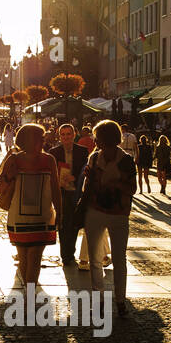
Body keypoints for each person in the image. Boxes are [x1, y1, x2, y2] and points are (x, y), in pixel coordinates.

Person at [79, 120, 136, 319]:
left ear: (104, 139)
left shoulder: (126, 160)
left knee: (119, 259)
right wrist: (90, 178)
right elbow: (87, 187)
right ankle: (99, 299)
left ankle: (120, 300)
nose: (95, 140)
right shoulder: (93, 158)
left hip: (119, 214)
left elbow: (132, 189)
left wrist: (114, 182)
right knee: (95, 258)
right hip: (95, 211)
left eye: (98, 137)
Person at [0, 123, 61, 292]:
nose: (43, 140)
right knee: (25, 259)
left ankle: (29, 296)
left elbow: (55, 188)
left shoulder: (49, 160)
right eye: (40, 138)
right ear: (30, 140)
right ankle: (28, 292)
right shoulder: (14, 159)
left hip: (43, 217)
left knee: (35, 257)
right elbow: (0, 186)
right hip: (20, 217)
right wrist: (10, 176)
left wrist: (60, 212)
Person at [50, 123, 90, 266]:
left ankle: (70, 251)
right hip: (61, 193)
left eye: (68, 134)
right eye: (63, 134)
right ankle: (65, 255)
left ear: (74, 135)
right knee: (62, 224)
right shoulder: (54, 152)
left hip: (76, 193)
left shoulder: (82, 151)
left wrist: (74, 176)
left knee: (74, 224)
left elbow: (86, 171)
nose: (66, 137)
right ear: (59, 136)